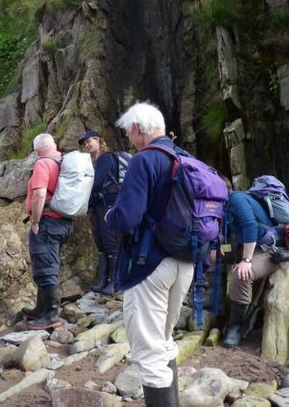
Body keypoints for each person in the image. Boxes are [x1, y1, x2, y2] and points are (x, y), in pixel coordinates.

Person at [105, 102, 191, 406]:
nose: (129, 139)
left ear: (140, 128)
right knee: (163, 341)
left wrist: (109, 217)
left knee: (148, 353)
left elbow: (127, 219)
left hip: (150, 266)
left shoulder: (144, 161)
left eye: (129, 132)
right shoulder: (184, 157)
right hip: (185, 261)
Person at [19, 133, 75, 330]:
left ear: (36, 150)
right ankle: (41, 308)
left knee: (45, 269)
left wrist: (35, 221)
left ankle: (51, 315)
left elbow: (40, 193)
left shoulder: (43, 164)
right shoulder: (63, 161)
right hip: (64, 222)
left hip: (48, 223)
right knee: (49, 264)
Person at [219, 189, 279, 348]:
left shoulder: (236, 199)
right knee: (210, 253)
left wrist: (246, 260)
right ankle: (215, 307)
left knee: (242, 274)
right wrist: (219, 250)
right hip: (247, 245)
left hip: (270, 249)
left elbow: (250, 225)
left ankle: (236, 326)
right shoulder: (224, 206)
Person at [79, 130, 121, 295]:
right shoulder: (93, 161)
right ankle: (103, 279)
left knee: (110, 240)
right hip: (97, 204)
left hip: (108, 204)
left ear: (99, 141)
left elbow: (96, 183)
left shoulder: (107, 158)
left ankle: (114, 281)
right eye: (86, 143)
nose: (88, 144)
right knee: (100, 241)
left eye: (90, 141)